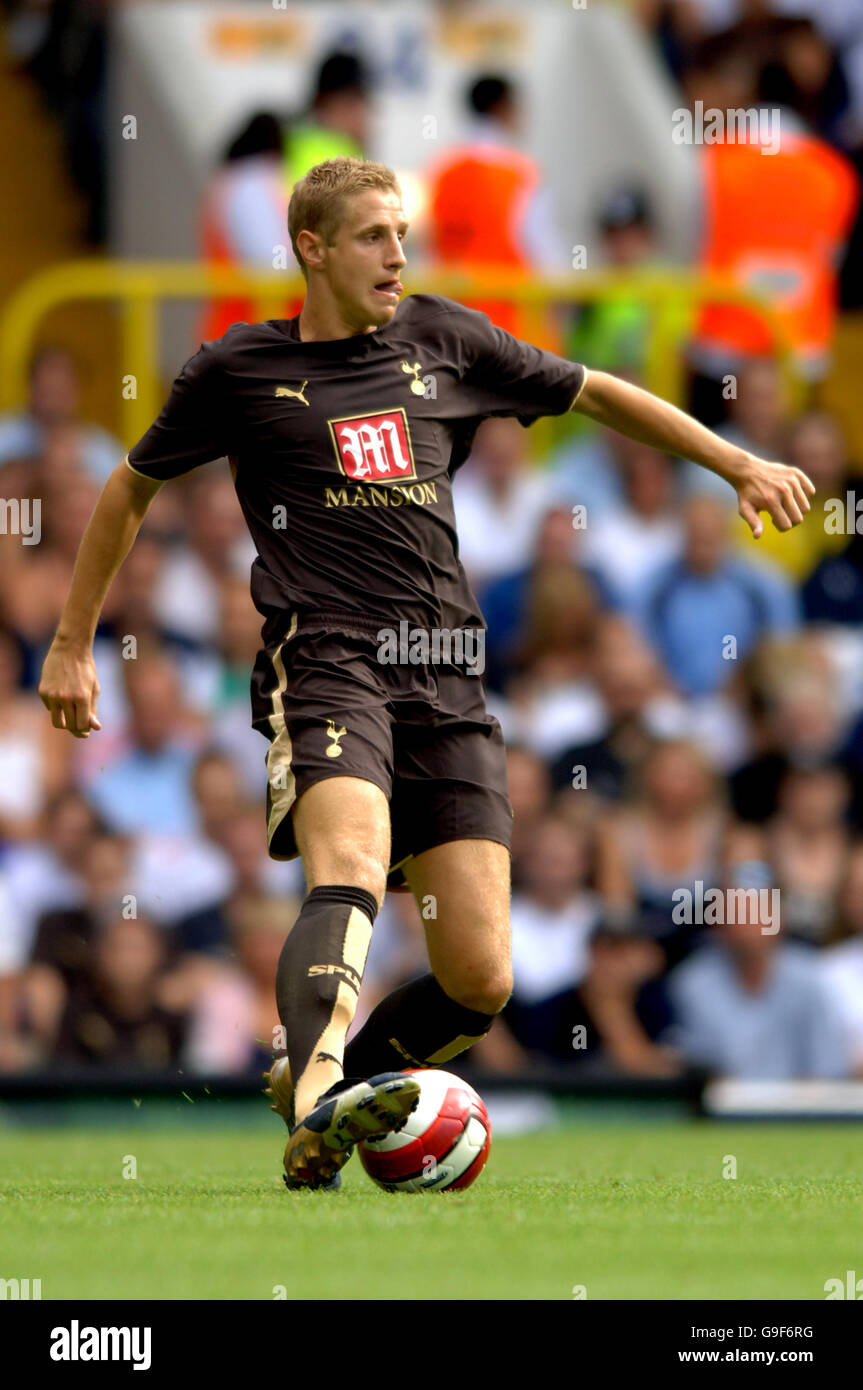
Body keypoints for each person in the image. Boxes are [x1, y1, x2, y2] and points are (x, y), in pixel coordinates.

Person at [38, 155, 814, 1191]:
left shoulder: (445, 338)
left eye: (401, 234)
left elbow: (595, 392)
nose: (396, 255)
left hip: (448, 677)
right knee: (350, 860)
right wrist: (71, 640)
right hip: (328, 660)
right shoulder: (237, 371)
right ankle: (315, 1096)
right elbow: (128, 488)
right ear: (310, 248)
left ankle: (330, 1091)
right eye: (371, 236)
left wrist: (736, 463)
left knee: (478, 978)